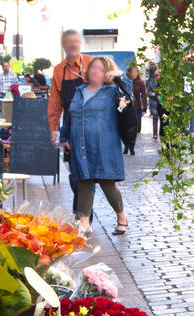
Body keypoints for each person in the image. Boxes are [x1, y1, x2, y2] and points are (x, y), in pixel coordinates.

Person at [60, 56, 128, 237]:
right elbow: (69, 115)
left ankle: (121, 217)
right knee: (84, 181)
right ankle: (84, 223)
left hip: (104, 145)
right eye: (93, 68)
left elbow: (129, 97)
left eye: (100, 69)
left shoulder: (112, 92)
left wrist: (119, 77)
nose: (95, 71)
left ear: (107, 72)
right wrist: (64, 136)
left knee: (107, 183)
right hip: (80, 145)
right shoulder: (79, 90)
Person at [49, 29, 90, 207]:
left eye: (76, 41)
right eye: (69, 41)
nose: (73, 44)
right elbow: (55, 103)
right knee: (74, 172)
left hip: (91, 123)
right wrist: (53, 129)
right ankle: (81, 211)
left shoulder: (92, 63)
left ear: (80, 43)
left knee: (88, 172)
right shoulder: (58, 71)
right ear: (63, 45)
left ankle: (82, 214)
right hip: (70, 124)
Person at [121, 62, 147, 155]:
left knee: (134, 129)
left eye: (136, 72)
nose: (135, 74)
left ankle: (131, 146)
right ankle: (126, 145)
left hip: (137, 107)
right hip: (126, 108)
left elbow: (144, 95)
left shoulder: (140, 83)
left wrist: (145, 108)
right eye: (134, 72)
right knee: (125, 128)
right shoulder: (124, 81)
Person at [145, 61, 161, 138]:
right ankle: (155, 133)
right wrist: (155, 95)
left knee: (161, 118)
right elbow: (148, 93)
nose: (158, 77)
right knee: (155, 118)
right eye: (156, 75)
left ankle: (161, 132)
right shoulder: (150, 82)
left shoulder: (162, 83)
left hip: (160, 102)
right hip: (154, 102)